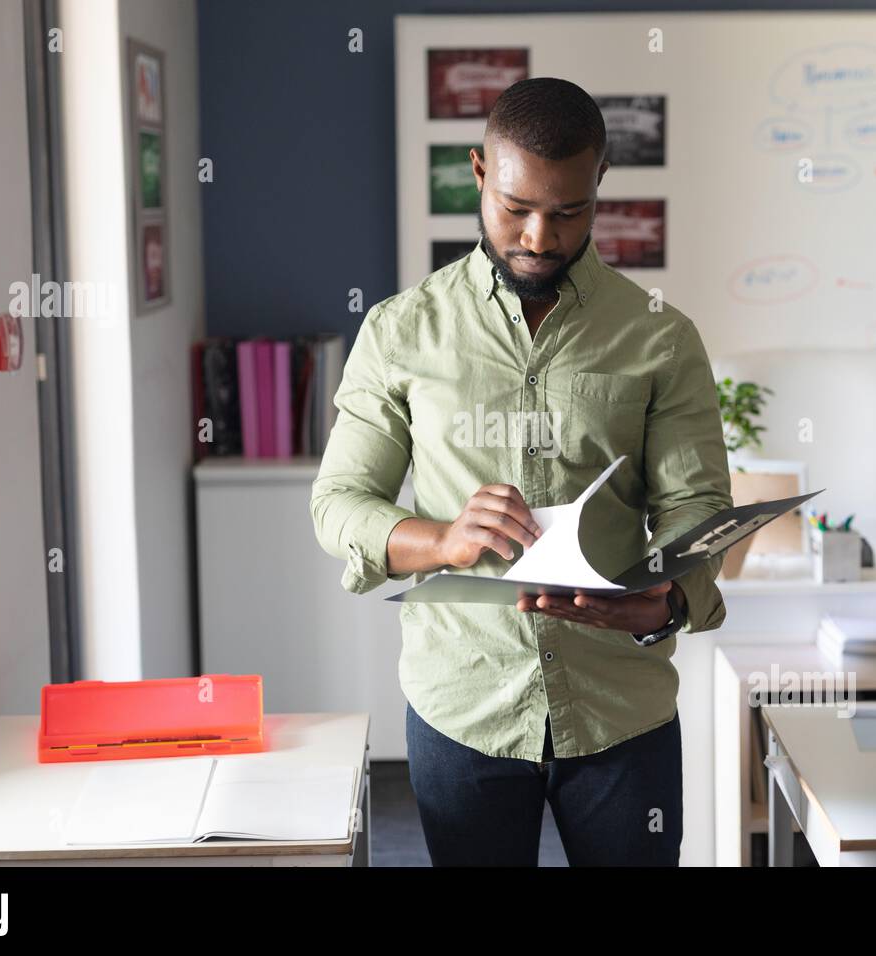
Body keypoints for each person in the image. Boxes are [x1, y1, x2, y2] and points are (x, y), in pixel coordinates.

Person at [311, 77, 731, 866]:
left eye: (568, 211)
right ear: (478, 174)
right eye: (515, 208)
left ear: (600, 185)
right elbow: (339, 505)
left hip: (620, 709)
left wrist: (669, 599)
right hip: (461, 702)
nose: (540, 235)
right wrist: (441, 538)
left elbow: (699, 507)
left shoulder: (661, 339)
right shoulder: (400, 331)